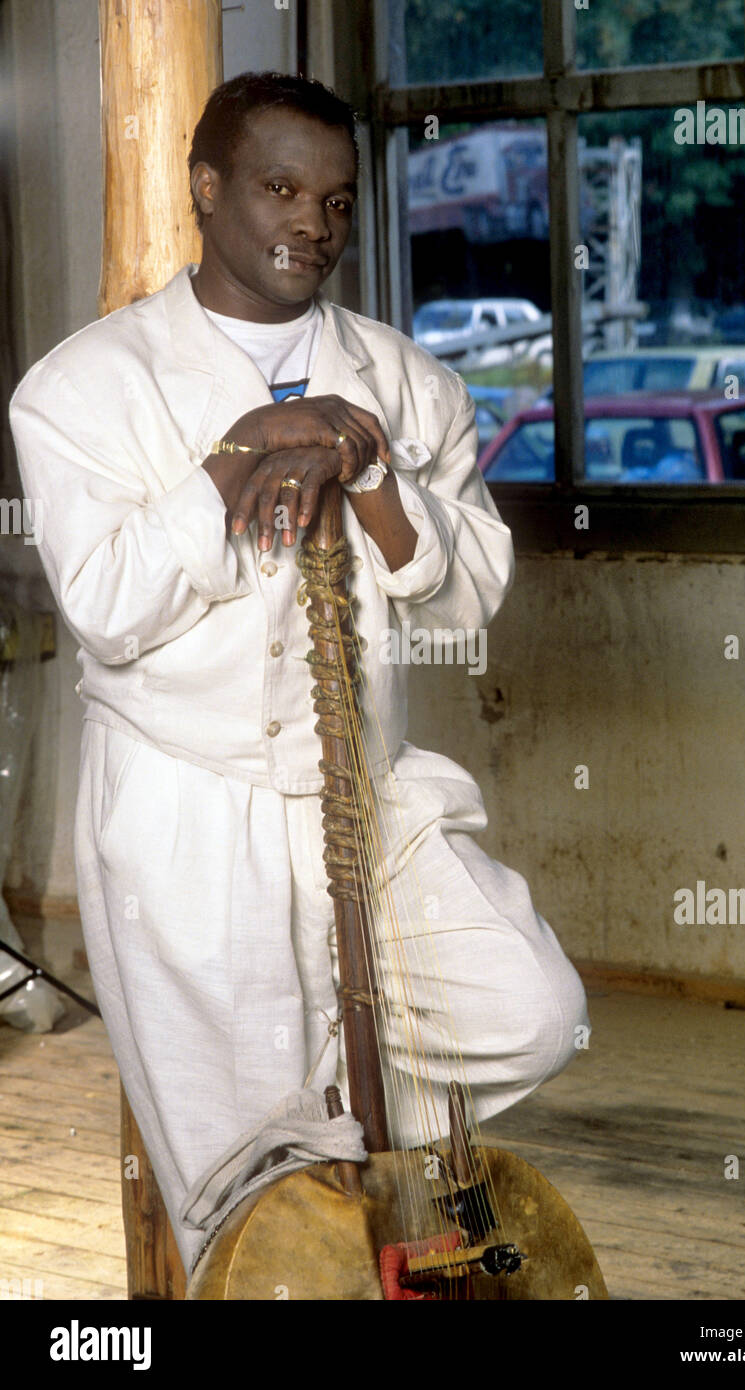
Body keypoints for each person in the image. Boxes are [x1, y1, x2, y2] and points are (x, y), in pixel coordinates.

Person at [9, 71, 590, 1274]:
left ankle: (372, 1172)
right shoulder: (81, 390)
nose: (310, 225)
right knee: (246, 1183)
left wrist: (368, 472)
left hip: (367, 798)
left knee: (528, 1008)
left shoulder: (406, 381)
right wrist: (233, 461)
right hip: (186, 810)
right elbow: (110, 608)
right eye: (278, 188)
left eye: (334, 199)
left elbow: (468, 594)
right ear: (206, 190)